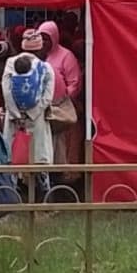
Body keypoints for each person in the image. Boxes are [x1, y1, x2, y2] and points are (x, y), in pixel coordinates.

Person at [1, 31, 55, 194]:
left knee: (13, 158)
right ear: (40, 48)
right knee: (40, 159)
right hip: (36, 120)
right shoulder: (45, 67)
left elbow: (6, 91)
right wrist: (32, 114)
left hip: (14, 120)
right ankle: (43, 196)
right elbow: (47, 97)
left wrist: (17, 115)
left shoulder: (11, 63)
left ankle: (12, 194)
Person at [36, 21, 82, 172]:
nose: (43, 42)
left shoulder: (66, 56)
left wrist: (61, 97)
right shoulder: (37, 56)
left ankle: (62, 174)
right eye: (41, 38)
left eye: (47, 38)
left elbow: (74, 82)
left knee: (61, 145)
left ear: (54, 38)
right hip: (40, 109)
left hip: (61, 109)